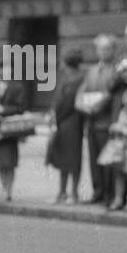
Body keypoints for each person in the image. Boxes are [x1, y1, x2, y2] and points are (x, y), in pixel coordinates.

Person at [80, 34, 118, 205]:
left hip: (106, 122)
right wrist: (83, 105)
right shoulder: (92, 71)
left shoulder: (116, 70)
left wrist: (97, 106)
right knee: (94, 158)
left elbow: (111, 94)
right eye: (100, 49)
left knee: (107, 159)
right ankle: (98, 191)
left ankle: (110, 194)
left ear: (113, 50)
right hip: (91, 122)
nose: (103, 52)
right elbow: (83, 92)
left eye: (107, 48)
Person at [45, 46, 86, 204]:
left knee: (73, 159)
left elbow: (65, 103)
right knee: (63, 157)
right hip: (65, 122)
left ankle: (73, 193)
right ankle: (63, 192)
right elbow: (56, 101)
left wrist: (55, 116)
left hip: (71, 122)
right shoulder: (65, 78)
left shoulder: (77, 79)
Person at [0, 76, 29, 201]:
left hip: (10, 129)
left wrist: (4, 110)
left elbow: (21, 108)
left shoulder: (17, 87)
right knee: (0, 162)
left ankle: (9, 189)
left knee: (9, 161)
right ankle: (3, 187)